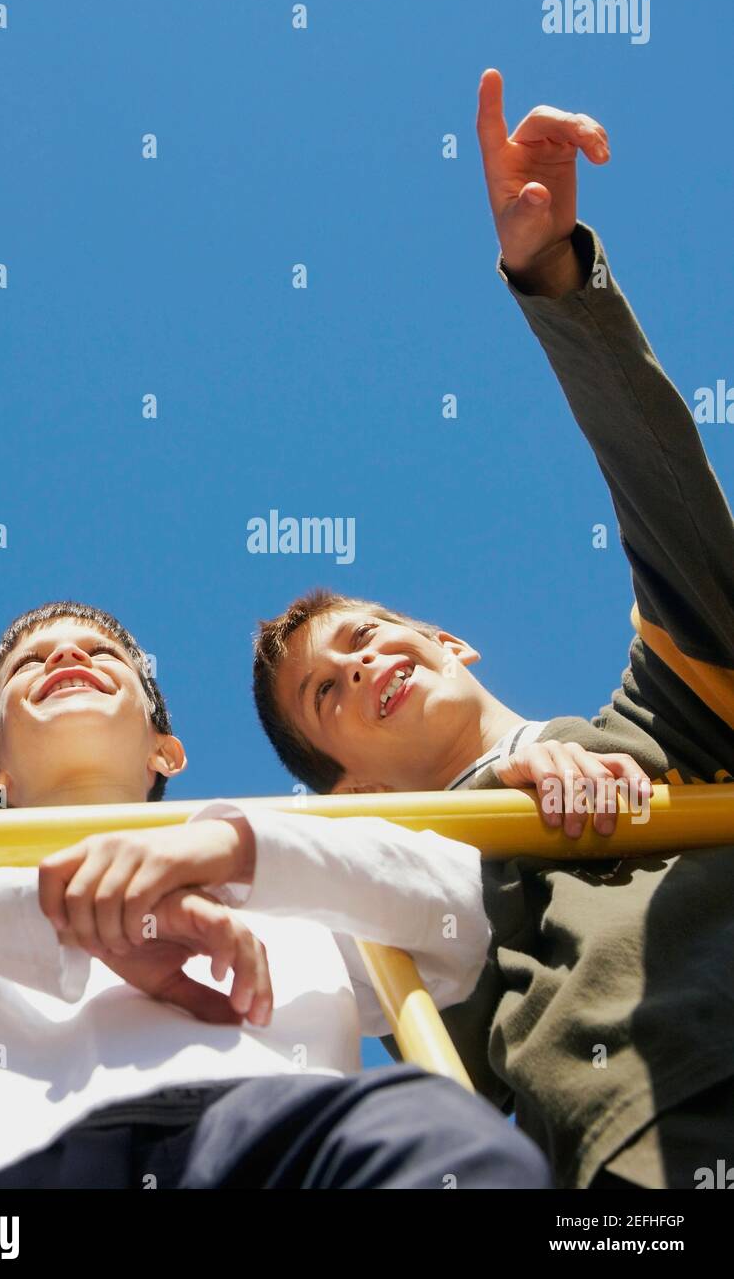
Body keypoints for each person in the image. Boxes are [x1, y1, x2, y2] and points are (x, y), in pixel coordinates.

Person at [250, 69, 734, 1189]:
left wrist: (551, 278)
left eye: (369, 634)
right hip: (648, 1155)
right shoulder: (393, 909)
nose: (362, 661)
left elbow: (672, 510)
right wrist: (476, 813)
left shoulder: (668, 712)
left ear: (450, 641)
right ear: (351, 794)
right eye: (327, 692)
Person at [0, 601, 550, 1190]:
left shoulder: (289, 855)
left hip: (292, 1135)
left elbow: (458, 917)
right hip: (17, 1159)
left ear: (166, 751)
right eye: (30, 662)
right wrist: (68, 914)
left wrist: (239, 848)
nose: (67, 654)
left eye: (103, 653)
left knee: (456, 1148)